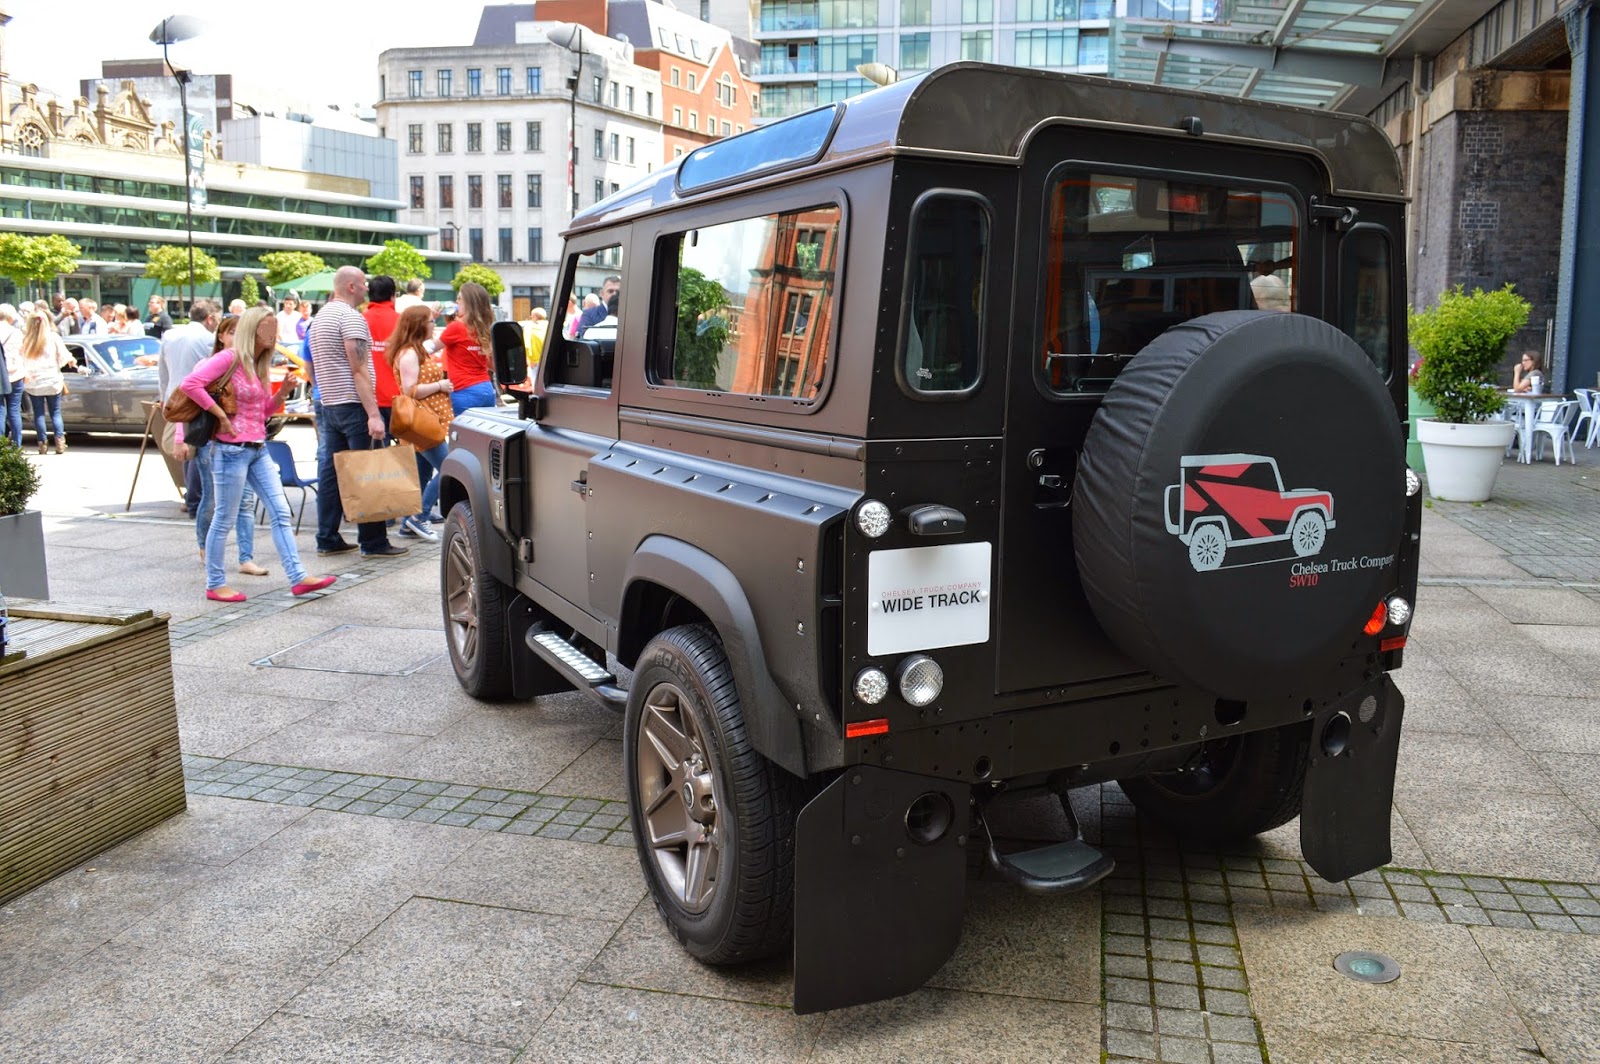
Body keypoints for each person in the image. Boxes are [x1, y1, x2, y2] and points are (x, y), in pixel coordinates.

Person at [179, 305, 336, 603]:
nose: (273, 334)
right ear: (252, 329)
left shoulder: (256, 364)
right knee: (224, 517)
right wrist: (220, 416)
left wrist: (281, 393)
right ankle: (215, 583)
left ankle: (298, 577)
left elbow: (261, 413)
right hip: (230, 451)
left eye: (274, 328)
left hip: (257, 448)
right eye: (267, 328)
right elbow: (190, 384)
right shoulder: (229, 357)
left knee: (280, 512)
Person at [309, 265, 407, 558]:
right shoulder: (350, 318)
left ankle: (327, 536)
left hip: (330, 404)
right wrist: (374, 414)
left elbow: (314, 365)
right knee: (368, 472)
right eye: (363, 284)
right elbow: (359, 370)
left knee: (331, 471)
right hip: (354, 405)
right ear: (351, 286)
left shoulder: (320, 316)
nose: (367, 289)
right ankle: (373, 541)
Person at [175, 314, 267, 577]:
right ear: (221, 336)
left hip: (243, 442)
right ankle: (205, 547)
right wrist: (182, 437)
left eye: (242, 332)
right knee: (213, 499)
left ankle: (246, 557)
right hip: (212, 441)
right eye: (232, 332)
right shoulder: (211, 363)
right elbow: (188, 399)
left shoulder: (249, 365)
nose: (237, 337)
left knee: (245, 501)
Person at [386, 304, 453, 541]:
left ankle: (407, 523)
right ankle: (419, 517)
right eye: (430, 321)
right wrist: (440, 385)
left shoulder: (415, 350)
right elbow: (409, 389)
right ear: (418, 325)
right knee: (449, 468)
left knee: (423, 475)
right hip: (422, 424)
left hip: (427, 421)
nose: (434, 325)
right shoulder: (410, 353)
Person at [160, 299, 223, 528]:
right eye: (216, 318)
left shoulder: (170, 335)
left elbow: (163, 371)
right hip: (197, 400)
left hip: (175, 398)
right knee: (196, 448)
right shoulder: (208, 339)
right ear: (210, 318)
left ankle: (191, 497)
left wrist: (164, 398)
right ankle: (195, 500)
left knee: (187, 448)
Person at [20, 310, 83, 455]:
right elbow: (63, 358)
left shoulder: (26, 339)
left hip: (34, 382)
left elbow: (22, 361)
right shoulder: (53, 337)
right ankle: (60, 443)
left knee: (39, 414)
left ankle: (42, 444)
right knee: (55, 412)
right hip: (53, 380)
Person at [440, 281, 496, 414]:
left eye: (459, 298)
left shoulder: (456, 326)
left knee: (462, 434)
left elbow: (429, 348)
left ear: (468, 303)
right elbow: (492, 364)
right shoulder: (484, 328)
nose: (456, 302)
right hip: (486, 389)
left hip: (463, 390)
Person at [362, 275, 402, 434]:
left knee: (376, 452)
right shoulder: (401, 321)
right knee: (404, 451)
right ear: (393, 296)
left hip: (368, 397)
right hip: (398, 396)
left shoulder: (361, 319)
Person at [0, 304, 24, 449]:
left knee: (0, 410)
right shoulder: (16, 332)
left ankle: (1, 446)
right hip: (16, 374)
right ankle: (17, 445)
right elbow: (22, 352)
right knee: (14, 410)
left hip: (1, 375)